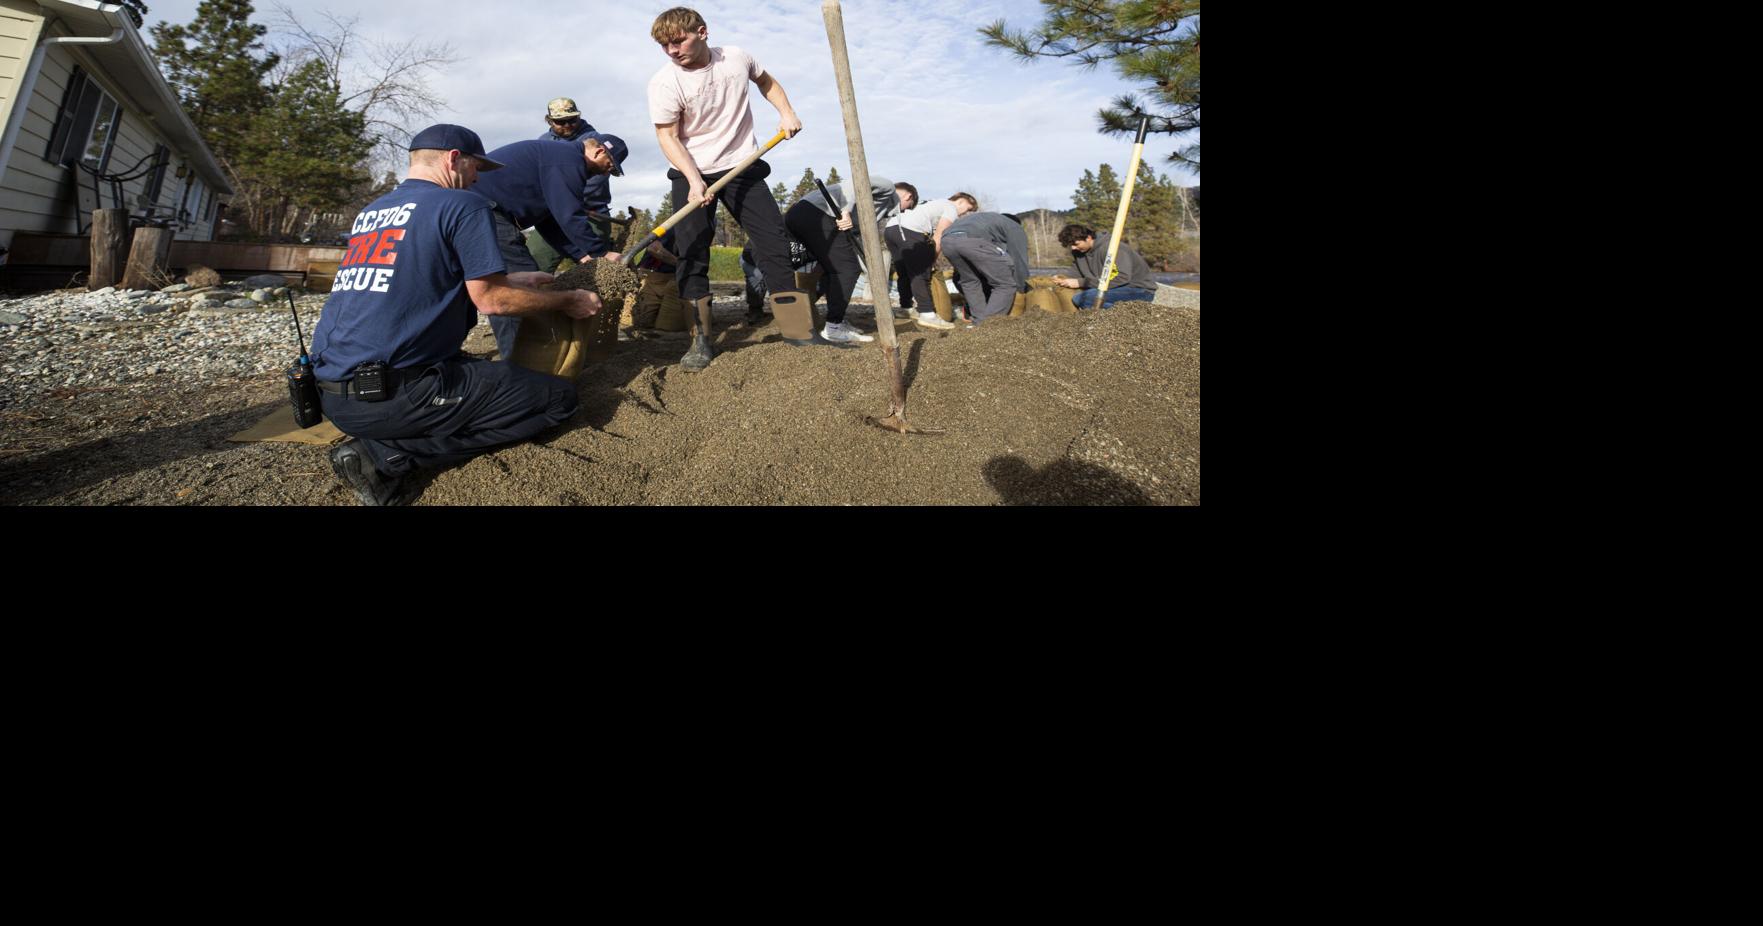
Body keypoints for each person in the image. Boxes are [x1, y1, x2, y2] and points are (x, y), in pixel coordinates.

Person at [309, 124, 602, 506]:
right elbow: (492, 301)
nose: (478, 177)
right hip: (395, 397)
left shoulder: (373, 211)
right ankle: (384, 457)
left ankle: (389, 435)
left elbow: (421, 274)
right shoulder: (464, 204)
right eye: (476, 167)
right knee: (557, 400)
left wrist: (511, 277)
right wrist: (568, 301)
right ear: (453, 159)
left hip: (331, 393)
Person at [648, 5, 834, 371]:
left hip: (742, 165)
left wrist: (786, 112)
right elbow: (667, 136)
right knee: (692, 251)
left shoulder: (736, 58)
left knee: (774, 243)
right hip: (691, 169)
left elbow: (766, 82)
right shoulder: (665, 83)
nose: (672, 51)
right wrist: (694, 179)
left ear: (702, 32)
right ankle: (700, 341)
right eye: (664, 46)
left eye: (678, 41)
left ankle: (798, 331)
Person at [467, 133, 629, 358]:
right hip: (486, 212)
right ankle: (520, 364)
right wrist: (600, 252)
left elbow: (549, 220)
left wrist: (581, 255)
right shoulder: (568, 161)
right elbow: (569, 215)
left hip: (484, 210)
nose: (606, 172)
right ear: (599, 151)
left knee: (512, 282)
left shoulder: (560, 159)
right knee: (520, 290)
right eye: (609, 165)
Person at [784, 176, 906, 342]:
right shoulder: (888, 187)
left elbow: (854, 238)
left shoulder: (875, 211)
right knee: (847, 269)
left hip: (806, 216)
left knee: (831, 269)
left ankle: (827, 319)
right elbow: (855, 182)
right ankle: (833, 327)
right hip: (815, 213)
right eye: (908, 208)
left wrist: (869, 266)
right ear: (908, 197)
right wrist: (846, 211)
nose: (904, 212)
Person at [883, 182, 957, 330]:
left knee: (903, 271)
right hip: (910, 231)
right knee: (919, 273)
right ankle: (927, 314)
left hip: (890, 230)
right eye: (967, 209)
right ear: (960, 201)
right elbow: (939, 235)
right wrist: (931, 260)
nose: (963, 214)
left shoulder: (926, 205)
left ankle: (906, 308)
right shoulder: (951, 207)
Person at [939, 210, 1030, 325]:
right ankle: (989, 325)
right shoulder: (1014, 227)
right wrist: (1021, 287)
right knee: (1005, 285)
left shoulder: (985, 221)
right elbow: (1019, 259)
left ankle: (979, 322)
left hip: (946, 241)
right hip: (971, 241)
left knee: (970, 281)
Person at [1052, 223, 1159, 309]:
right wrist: (1063, 278)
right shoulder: (1079, 251)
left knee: (1083, 298)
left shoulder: (1112, 249)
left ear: (1088, 237)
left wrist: (1081, 282)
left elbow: (1121, 277)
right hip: (1113, 288)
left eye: (1076, 244)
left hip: (1138, 289)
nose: (1073, 248)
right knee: (1084, 297)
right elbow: (1076, 271)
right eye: (1070, 246)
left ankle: (1131, 316)